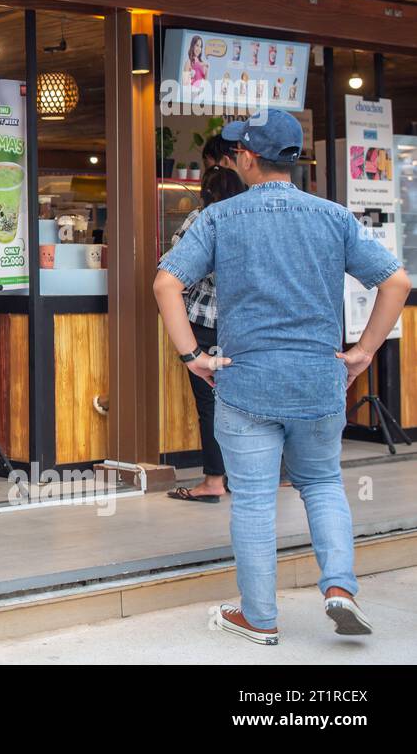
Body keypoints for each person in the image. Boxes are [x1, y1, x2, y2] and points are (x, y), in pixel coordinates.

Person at [155, 108, 410, 645]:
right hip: (319, 379)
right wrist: (363, 352)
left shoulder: (220, 217)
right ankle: (339, 589)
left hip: (246, 380)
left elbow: (165, 285)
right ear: (293, 160)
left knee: (251, 500)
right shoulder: (333, 217)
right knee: (321, 484)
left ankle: (260, 618)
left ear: (246, 157)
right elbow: (396, 282)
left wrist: (192, 357)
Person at [165, 166, 245, 503]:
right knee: (251, 401)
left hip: (204, 321)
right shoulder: (249, 217)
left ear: (205, 192)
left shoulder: (201, 219)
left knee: (210, 403)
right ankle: (268, 474)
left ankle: (214, 480)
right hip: (246, 322)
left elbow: (172, 265)